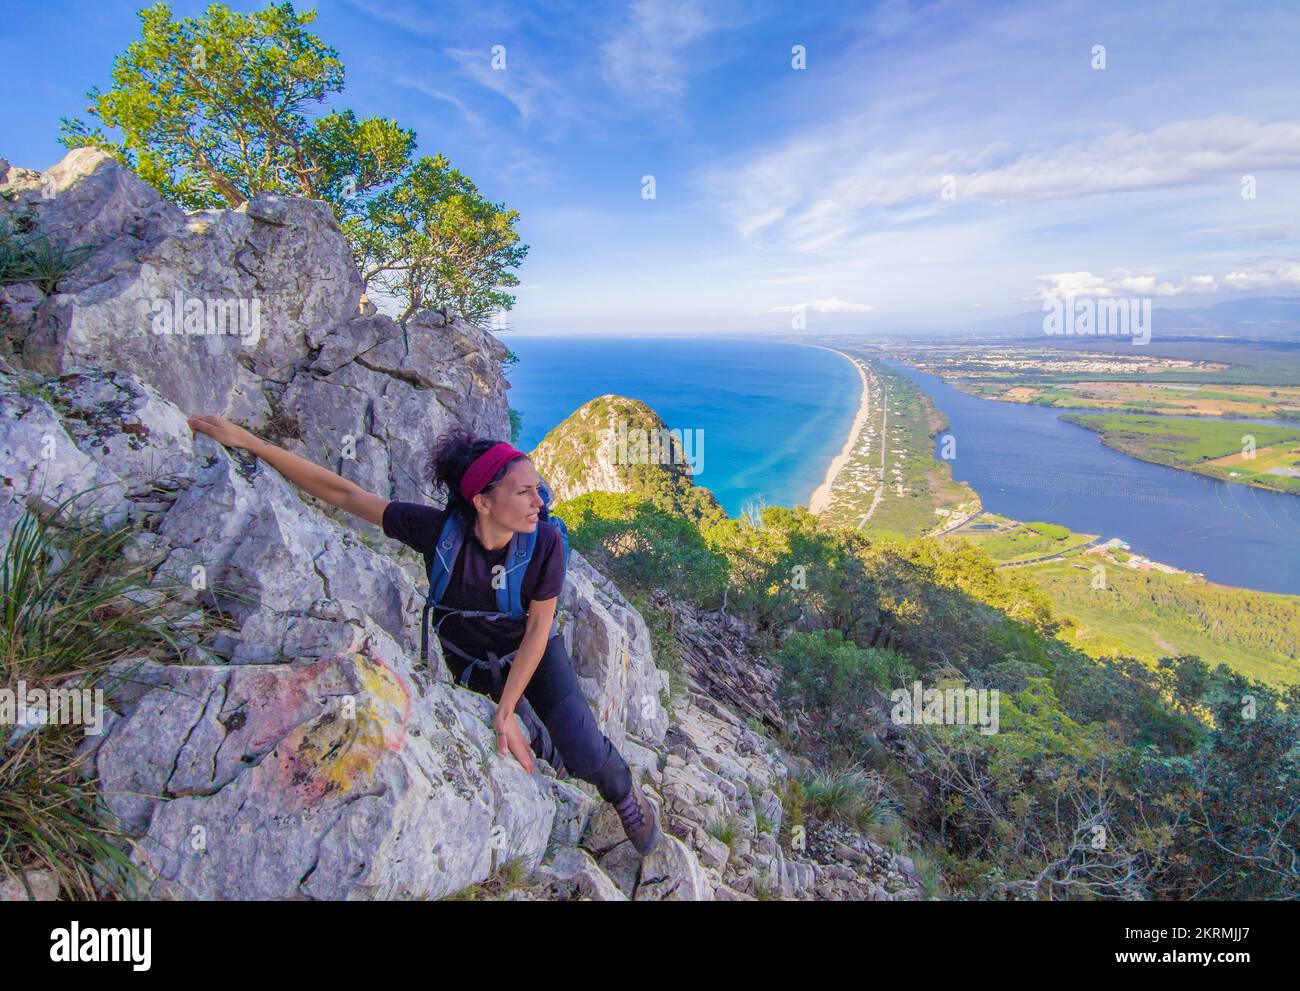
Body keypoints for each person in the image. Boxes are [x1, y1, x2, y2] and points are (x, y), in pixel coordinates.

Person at [186, 415, 661, 856]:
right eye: (524, 493)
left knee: (585, 752)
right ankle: (538, 735)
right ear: (483, 501)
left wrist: (504, 711)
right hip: (470, 661)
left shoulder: (545, 543)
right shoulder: (438, 534)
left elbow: (539, 629)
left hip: (533, 656)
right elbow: (347, 495)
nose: (540, 502)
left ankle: (625, 798)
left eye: (537, 489)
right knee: (520, 748)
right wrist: (253, 444)